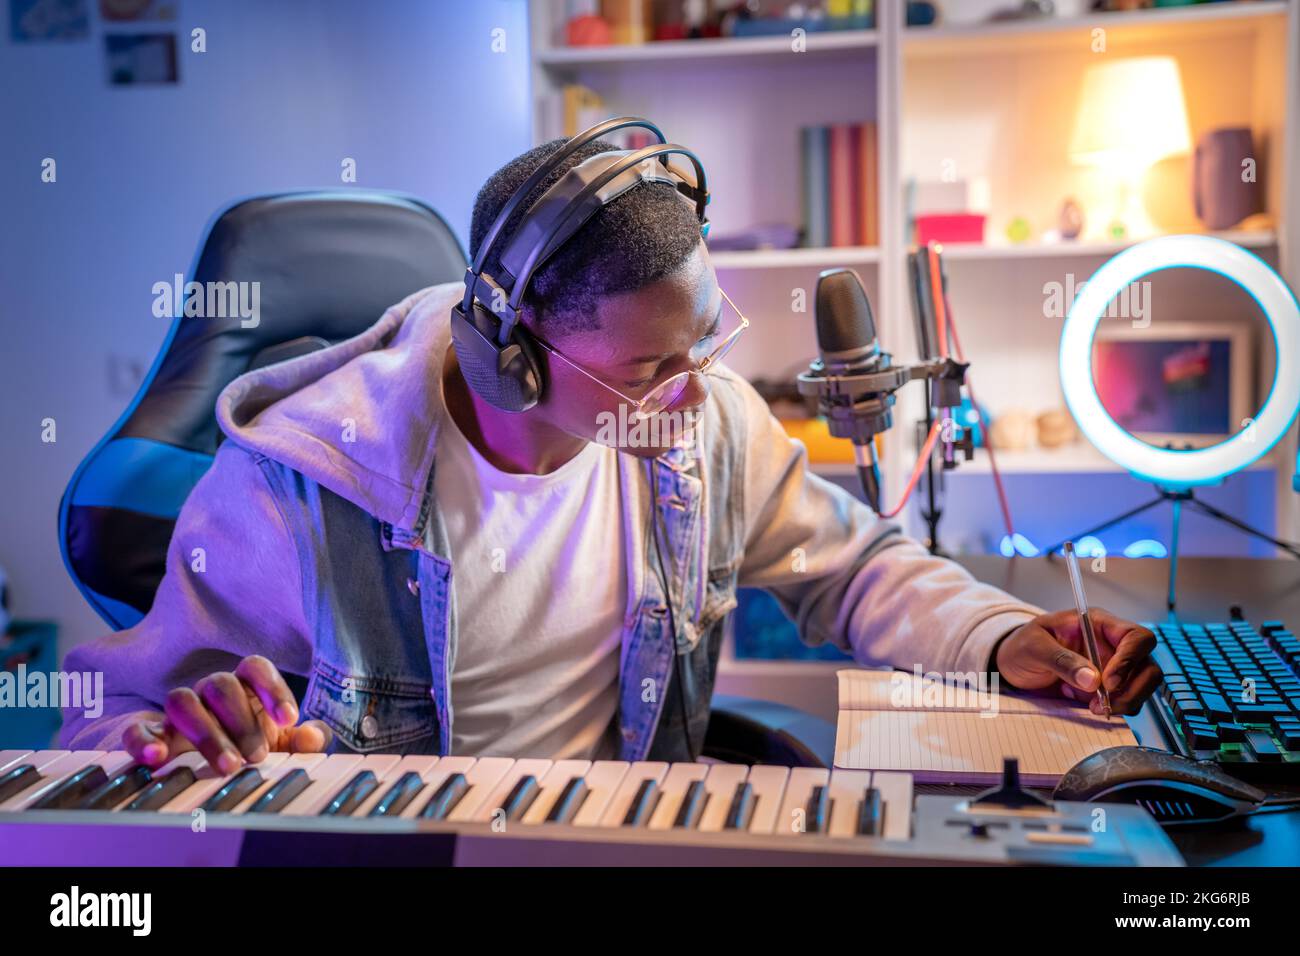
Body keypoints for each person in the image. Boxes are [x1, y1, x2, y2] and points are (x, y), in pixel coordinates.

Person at [60, 134, 1160, 774]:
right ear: (514, 360)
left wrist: (1003, 631)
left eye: (701, 344)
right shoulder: (304, 480)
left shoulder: (696, 413)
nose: (693, 394)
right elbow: (103, 726)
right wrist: (180, 736)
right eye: (645, 371)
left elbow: (853, 568)